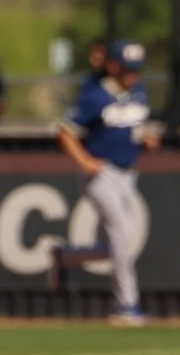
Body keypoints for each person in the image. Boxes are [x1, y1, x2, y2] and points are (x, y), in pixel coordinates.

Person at [49, 40, 161, 326]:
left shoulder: (139, 91)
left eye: (137, 69)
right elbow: (65, 131)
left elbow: (138, 126)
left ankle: (66, 257)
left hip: (128, 173)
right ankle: (126, 305)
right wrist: (85, 162)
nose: (133, 74)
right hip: (101, 173)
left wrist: (147, 139)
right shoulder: (96, 95)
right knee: (122, 231)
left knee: (121, 243)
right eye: (128, 68)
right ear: (113, 66)